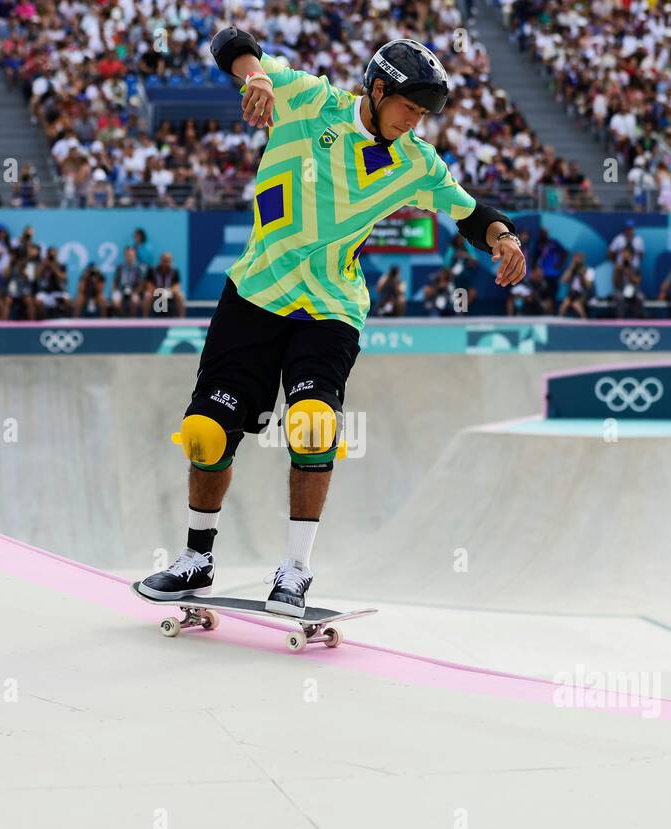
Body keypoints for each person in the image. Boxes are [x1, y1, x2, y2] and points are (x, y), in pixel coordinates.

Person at [134, 30, 524, 615]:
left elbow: (470, 211)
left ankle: (294, 571)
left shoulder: (415, 162)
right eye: (407, 108)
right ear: (376, 88)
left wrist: (503, 237)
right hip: (255, 295)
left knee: (314, 425)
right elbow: (230, 42)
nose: (413, 122)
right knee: (206, 434)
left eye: (422, 114)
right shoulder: (312, 101)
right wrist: (258, 78)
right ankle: (197, 560)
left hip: (330, 306)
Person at [145, 252, 185, 317]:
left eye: (168, 261)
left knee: (180, 295)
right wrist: (159, 291)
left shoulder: (175, 271)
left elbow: (177, 286)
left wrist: (168, 292)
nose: (166, 263)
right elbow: (149, 285)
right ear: (161, 260)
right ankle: (145, 319)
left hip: (169, 293)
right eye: (165, 261)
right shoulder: (152, 270)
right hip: (156, 292)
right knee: (147, 295)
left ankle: (181, 318)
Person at [111, 245, 148, 316]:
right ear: (125, 255)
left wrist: (135, 291)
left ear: (135, 255)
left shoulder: (139, 268)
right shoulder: (120, 267)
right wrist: (114, 290)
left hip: (134, 290)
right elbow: (115, 282)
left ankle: (132, 321)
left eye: (131, 255)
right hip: (121, 290)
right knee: (116, 302)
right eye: (128, 255)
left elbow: (141, 285)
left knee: (134, 301)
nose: (129, 257)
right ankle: (122, 319)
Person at [558, 253, 593, 318]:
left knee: (576, 304)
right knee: (564, 305)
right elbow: (563, 280)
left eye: (579, 258)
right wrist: (571, 268)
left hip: (584, 294)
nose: (577, 260)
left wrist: (582, 274)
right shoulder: (572, 270)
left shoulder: (589, 270)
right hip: (572, 293)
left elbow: (589, 286)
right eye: (576, 258)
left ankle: (584, 320)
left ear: (583, 260)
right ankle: (560, 322)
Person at [612, 248, 643, 319]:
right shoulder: (618, 268)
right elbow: (615, 284)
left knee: (640, 297)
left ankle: (638, 320)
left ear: (631, 257)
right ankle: (620, 321)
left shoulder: (636, 268)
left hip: (633, 291)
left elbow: (637, 281)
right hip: (621, 291)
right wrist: (617, 272)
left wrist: (627, 272)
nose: (625, 258)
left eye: (627, 256)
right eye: (624, 256)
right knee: (620, 298)